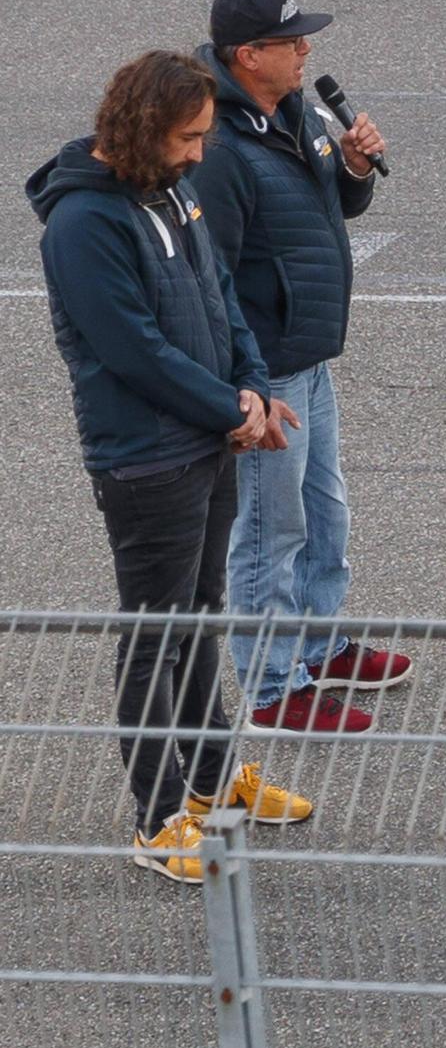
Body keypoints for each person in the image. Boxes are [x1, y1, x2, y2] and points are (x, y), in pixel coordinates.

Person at [27, 50, 315, 885]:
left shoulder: (174, 190)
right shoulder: (83, 224)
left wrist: (253, 386)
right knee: (154, 634)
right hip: (146, 458)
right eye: (188, 137)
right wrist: (233, 410)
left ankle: (217, 781)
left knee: (199, 616)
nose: (199, 152)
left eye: (205, 136)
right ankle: (157, 817)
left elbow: (223, 296)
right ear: (143, 127)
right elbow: (134, 351)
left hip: (207, 437)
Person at [191, 0, 410, 735]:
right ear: (249, 55)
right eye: (291, 42)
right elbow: (208, 274)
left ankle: (319, 642)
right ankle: (271, 687)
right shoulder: (216, 143)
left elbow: (328, 207)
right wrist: (241, 387)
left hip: (307, 353)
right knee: (268, 530)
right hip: (266, 365)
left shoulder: (296, 109)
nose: (306, 50)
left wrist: (351, 169)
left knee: (323, 514)